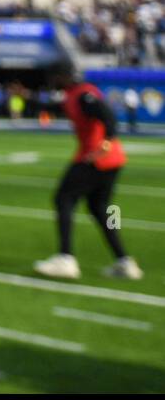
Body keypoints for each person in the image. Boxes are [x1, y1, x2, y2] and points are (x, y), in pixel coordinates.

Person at [34, 68, 143, 280]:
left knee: (63, 198)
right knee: (102, 209)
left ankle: (66, 258)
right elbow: (54, 106)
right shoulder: (74, 96)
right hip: (113, 159)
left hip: (96, 157)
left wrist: (105, 142)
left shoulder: (84, 95)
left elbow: (108, 115)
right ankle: (124, 260)